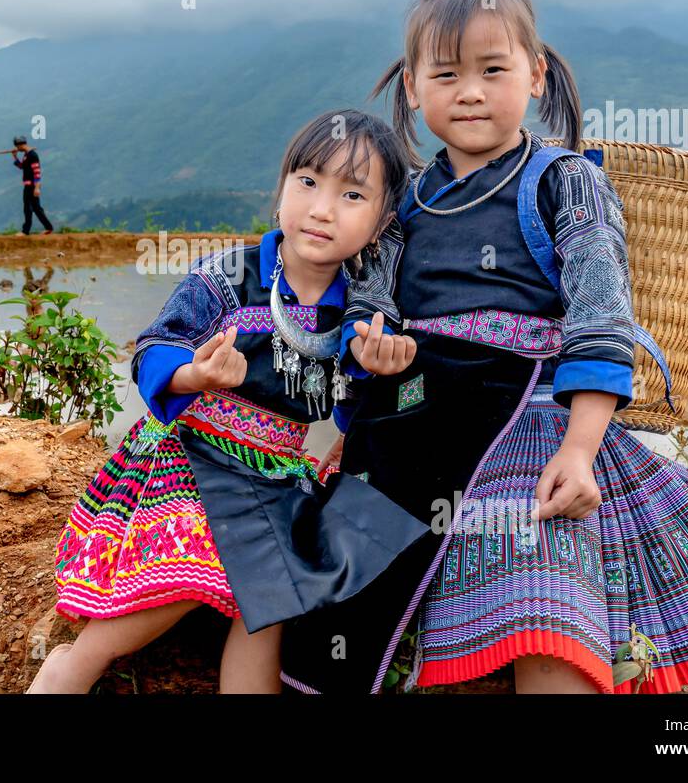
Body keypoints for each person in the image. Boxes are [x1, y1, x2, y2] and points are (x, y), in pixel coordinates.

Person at [281, 0, 688, 695]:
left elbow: (600, 311)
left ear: (536, 74)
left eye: (494, 69)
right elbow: (371, 299)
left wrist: (580, 450)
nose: (472, 91)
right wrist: (373, 342)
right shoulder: (404, 204)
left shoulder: (564, 181)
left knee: (542, 598)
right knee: (338, 583)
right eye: (446, 74)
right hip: (415, 415)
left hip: (534, 416)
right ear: (415, 89)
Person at [28, 110, 427, 693]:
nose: (322, 208)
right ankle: (77, 664)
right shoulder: (226, 276)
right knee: (202, 550)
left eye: (352, 194)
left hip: (279, 473)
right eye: (309, 182)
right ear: (281, 189)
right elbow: (154, 346)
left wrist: (375, 373)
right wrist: (196, 374)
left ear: (380, 223)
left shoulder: (359, 316)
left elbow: (351, 412)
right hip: (193, 456)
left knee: (267, 600)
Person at [12, 135, 53, 235]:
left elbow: (37, 172)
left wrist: (37, 188)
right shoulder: (26, 155)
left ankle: (25, 231)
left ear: (20, 145)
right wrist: (14, 156)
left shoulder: (32, 155)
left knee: (28, 208)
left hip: (32, 186)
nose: (17, 149)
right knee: (35, 208)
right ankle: (48, 227)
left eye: (17, 147)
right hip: (28, 186)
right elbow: (22, 167)